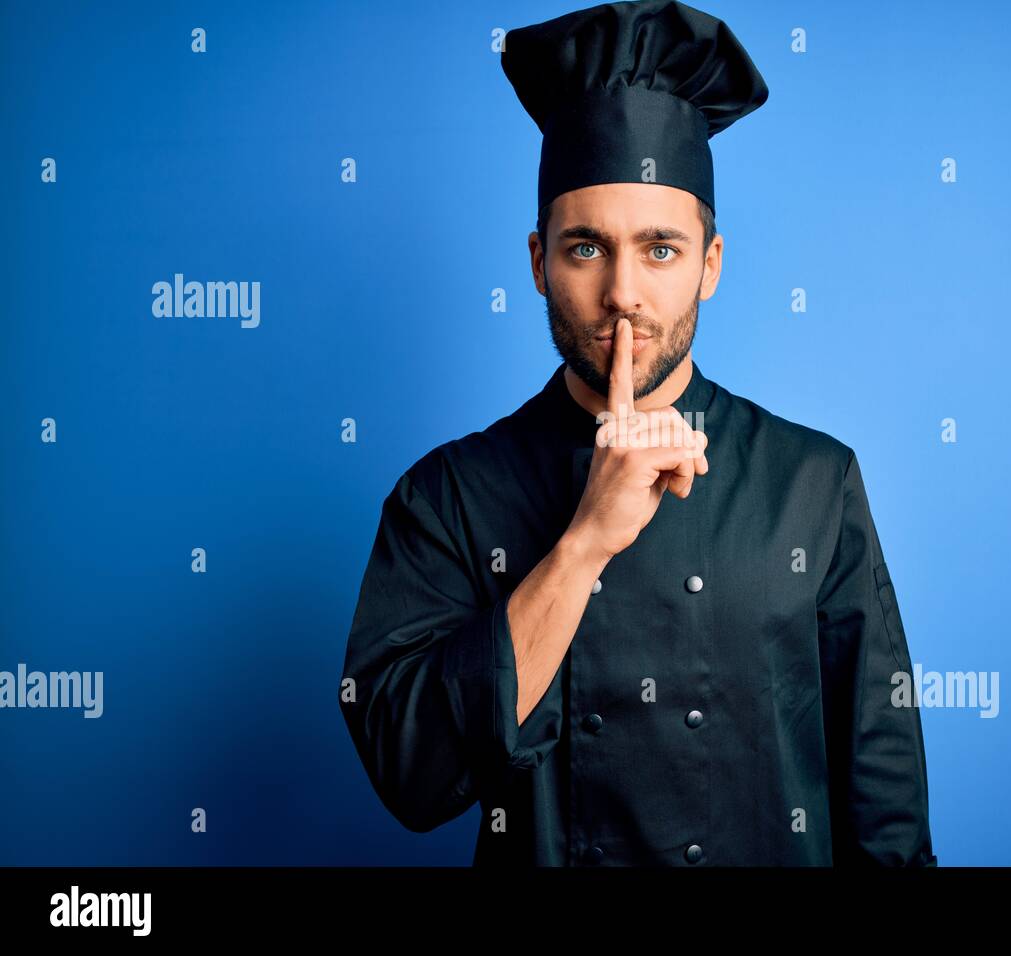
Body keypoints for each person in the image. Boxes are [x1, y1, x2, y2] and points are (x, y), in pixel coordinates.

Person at [339, 0, 936, 866]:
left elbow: (885, 799)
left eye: (660, 249)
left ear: (710, 265)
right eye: (587, 249)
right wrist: (583, 544)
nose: (623, 292)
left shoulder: (814, 482)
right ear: (538, 261)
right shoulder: (448, 496)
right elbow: (411, 775)